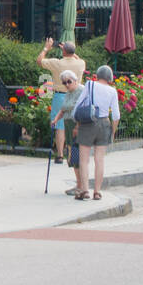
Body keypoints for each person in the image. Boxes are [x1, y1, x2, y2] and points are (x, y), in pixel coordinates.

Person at [38, 37, 87, 164]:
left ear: (63, 52)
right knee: (74, 124)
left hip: (60, 95)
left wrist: (46, 48)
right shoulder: (81, 63)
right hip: (76, 95)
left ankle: (60, 155)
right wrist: (70, 50)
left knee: (60, 126)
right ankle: (73, 154)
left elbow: (39, 61)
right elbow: (77, 58)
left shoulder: (57, 63)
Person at [75, 65, 121, 200]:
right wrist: (112, 131)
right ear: (110, 78)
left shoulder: (89, 85)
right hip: (105, 123)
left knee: (84, 160)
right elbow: (116, 116)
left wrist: (77, 124)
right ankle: (97, 192)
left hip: (88, 123)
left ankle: (85, 191)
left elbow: (78, 106)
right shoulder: (113, 91)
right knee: (99, 160)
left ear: (97, 75)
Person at [48, 71, 87, 199]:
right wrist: (56, 119)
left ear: (75, 80)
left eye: (69, 81)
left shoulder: (82, 91)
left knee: (77, 155)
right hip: (68, 124)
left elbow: (82, 109)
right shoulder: (68, 93)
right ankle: (78, 184)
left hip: (78, 126)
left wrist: (77, 126)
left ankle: (81, 186)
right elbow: (64, 109)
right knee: (72, 156)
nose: (66, 84)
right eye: (64, 83)